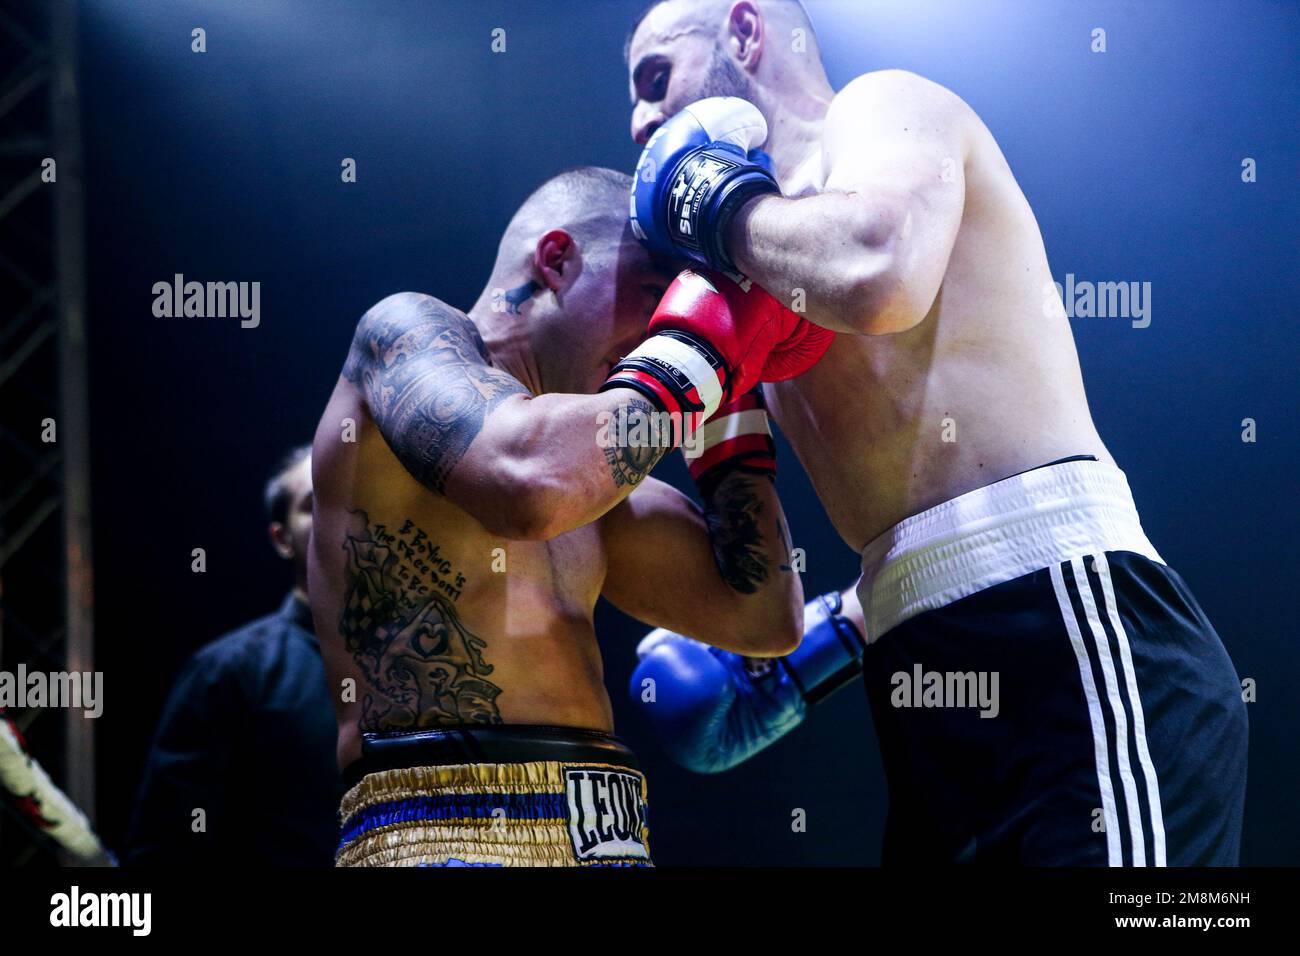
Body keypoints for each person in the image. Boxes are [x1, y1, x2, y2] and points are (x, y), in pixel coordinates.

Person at [621, 0, 1247, 866]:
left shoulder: (880, 110)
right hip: (918, 670)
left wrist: (716, 206)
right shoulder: (748, 263)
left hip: (1070, 623)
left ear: (746, 29)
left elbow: (880, 274)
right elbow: (761, 601)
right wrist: (814, 636)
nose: (642, 120)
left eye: (658, 78)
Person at [308, 166, 830, 866]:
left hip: (609, 834)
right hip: (446, 830)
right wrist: (697, 351)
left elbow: (761, 617)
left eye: (674, 312)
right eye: (656, 294)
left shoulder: (589, 475)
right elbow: (529, 485)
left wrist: (728, 401)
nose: (657, 331)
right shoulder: (402, 333)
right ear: (557, 260)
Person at [125, 445, 342, 866]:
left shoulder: (423, 667)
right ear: (282, 538)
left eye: (353, 495)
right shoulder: (228, 671)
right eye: (315, 503)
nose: (340, 511)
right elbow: (163, 846)